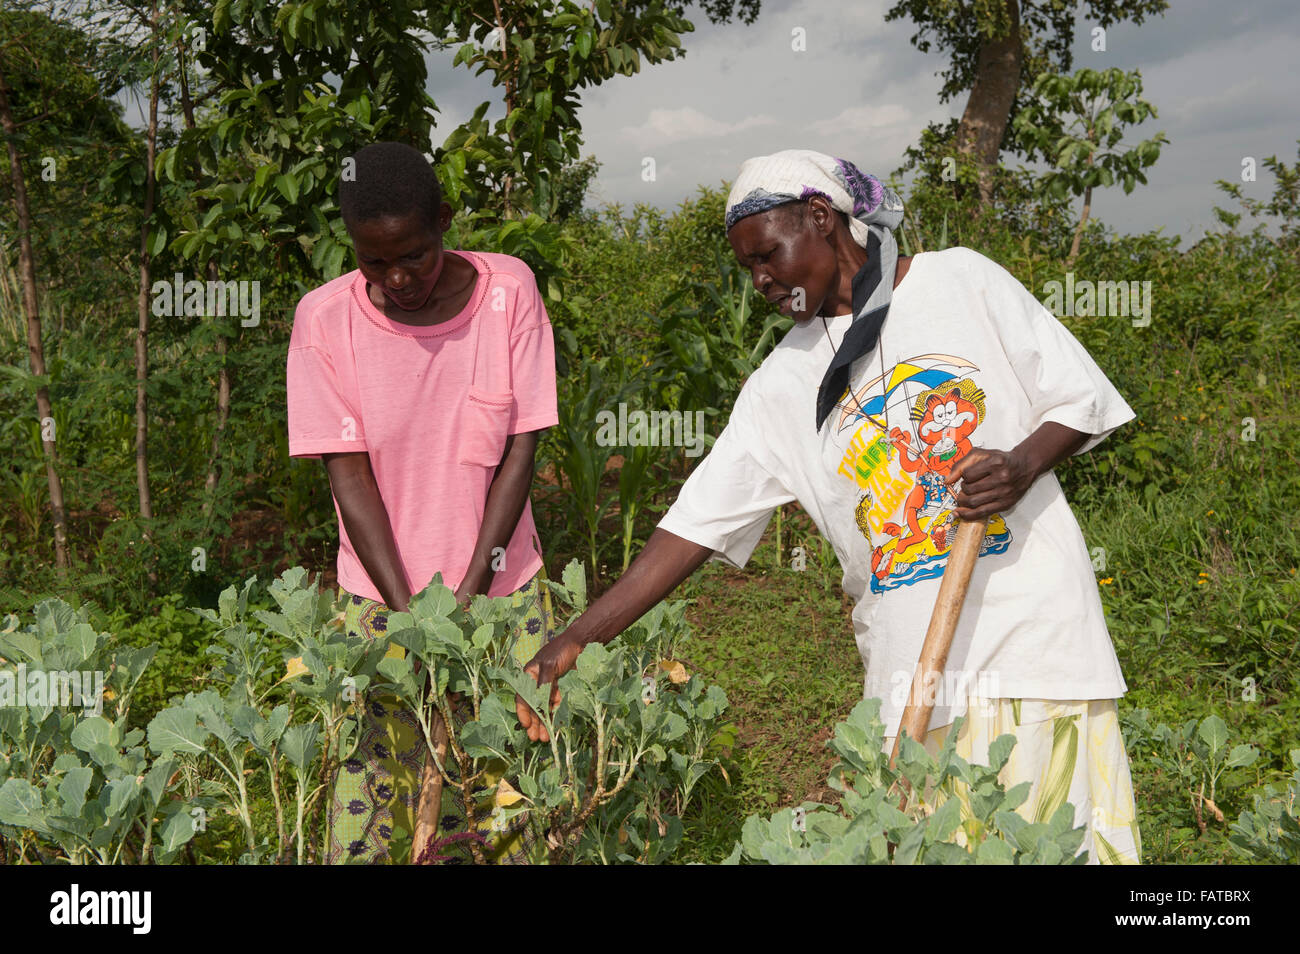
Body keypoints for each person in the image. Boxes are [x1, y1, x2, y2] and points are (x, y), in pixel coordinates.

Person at [518, 149, 1141, 864]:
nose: (761, 281)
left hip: (1036, 644)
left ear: (821, 217)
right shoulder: (782, 385)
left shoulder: (960, 281)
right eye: (748, 270)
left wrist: (1023, 464)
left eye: (768, 255)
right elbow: (689, 530)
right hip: (913, 671)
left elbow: (1079, 396)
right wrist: (578, 637)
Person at [286, 141, 558, 864]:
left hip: (501, 594)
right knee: (377, 803)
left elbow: (519, 451)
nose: (396, 278)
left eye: (413, 254)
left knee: (510, 800)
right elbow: (349, 479)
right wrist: (413, 623)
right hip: (380, 602)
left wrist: (467, 599)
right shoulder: (323, 322)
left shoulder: (509, 293)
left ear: (443, 220)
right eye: (373, 262)